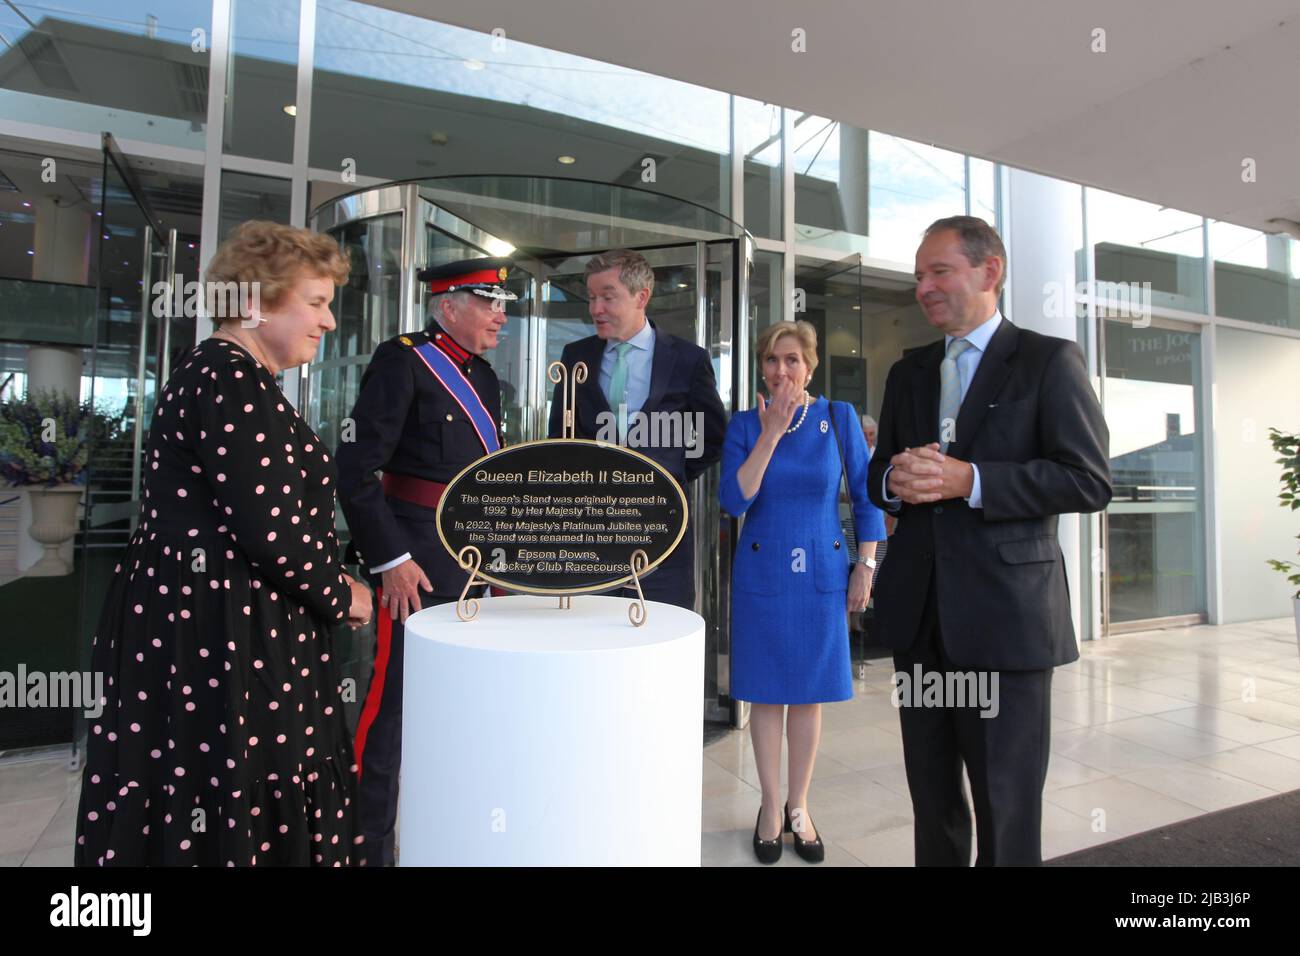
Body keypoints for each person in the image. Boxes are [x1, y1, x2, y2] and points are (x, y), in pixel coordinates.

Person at [75, 220, 372, 866]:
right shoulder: (231, 380)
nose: (327, 322)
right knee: (232, 794)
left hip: (214, 628)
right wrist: (343, 593)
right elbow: (268, 531)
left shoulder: (221, 374)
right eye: (315, 303)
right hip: (226, 637)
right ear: (257, 300)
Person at [867, 215, 1111, 866]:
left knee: (1007, 809)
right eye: (919, 275)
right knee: (933, 805)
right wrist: (893, 477)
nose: (923, 287)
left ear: (989, 271)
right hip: (921, 623)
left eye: (938, 271)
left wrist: (970, 479)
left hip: (1007, 625)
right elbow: (876, 474)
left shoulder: (1047, 361)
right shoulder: (908, 371)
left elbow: (1087, 481)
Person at [333, 257, 511, 867]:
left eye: (501, 302)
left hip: (475, 565)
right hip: (415, 569)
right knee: (391, 710)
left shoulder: (485, 378)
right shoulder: (402, 360)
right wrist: (389, 560)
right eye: (488, 302)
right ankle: (365, 848)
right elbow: (355, 468)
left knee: (464, 708)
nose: (501, 314)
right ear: (448, 306)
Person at [719, 320, 885, 863]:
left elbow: (864, 498)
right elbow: (736, 501)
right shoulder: (745, 424)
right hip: (763, 574)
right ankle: (770, 807)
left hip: (821, 574)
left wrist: (866, 565)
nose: (781, 370)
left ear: (809, 366)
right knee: (766, 695)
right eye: (771, 360)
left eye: (791, 360)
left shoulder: (837, 420)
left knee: (809, 696)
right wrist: (771, 431)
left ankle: (800, 806)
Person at [547, 249, 726, 611]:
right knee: (590, 638)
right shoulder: (575, 355)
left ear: (641, 296)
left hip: (663, 535)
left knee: (659, 636)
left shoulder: (688, 360)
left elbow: (712, 437)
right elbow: (558, 439)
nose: (595, 308)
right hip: (589, 535)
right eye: (592, 297)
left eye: (607, 297)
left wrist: (665, 475)